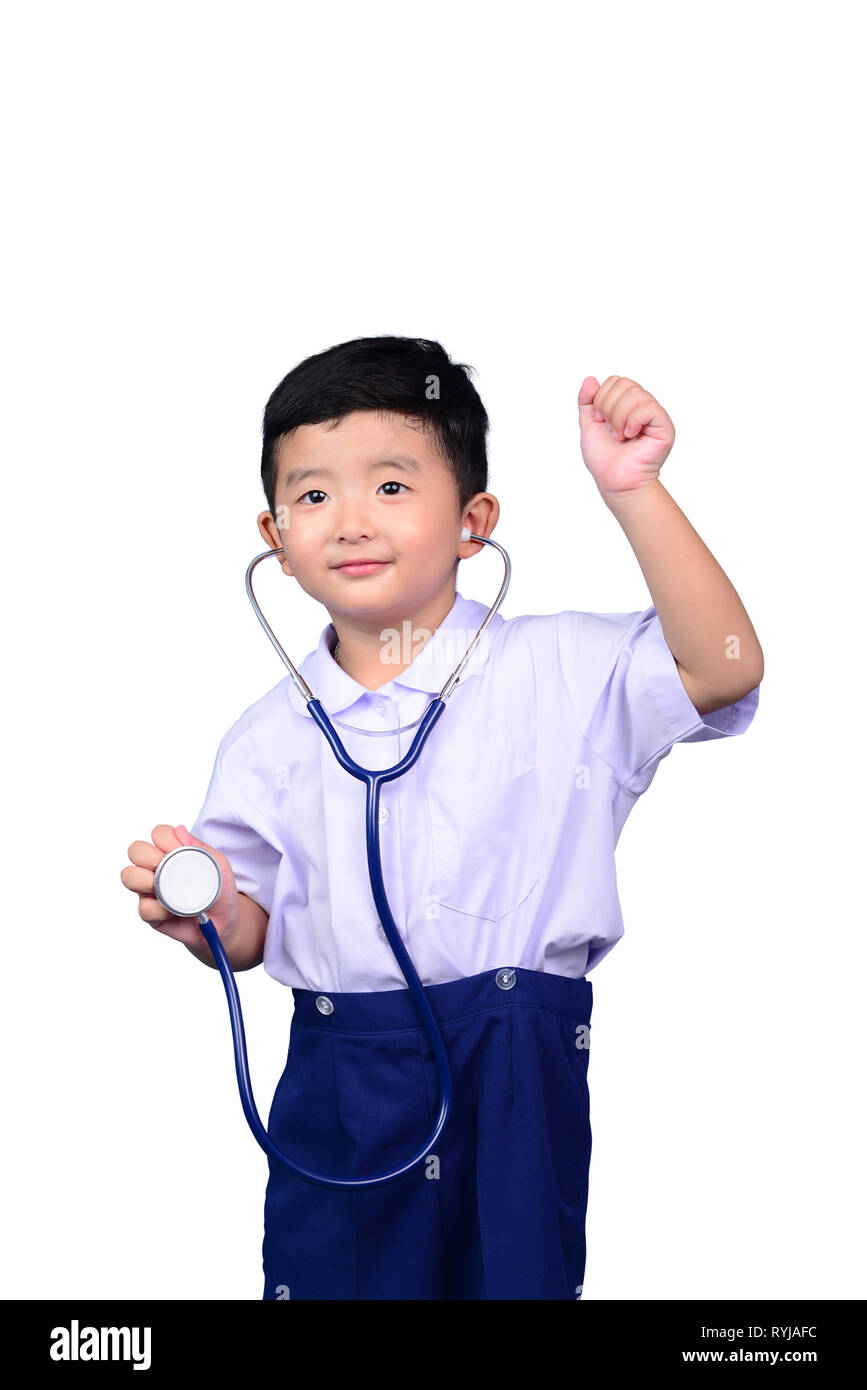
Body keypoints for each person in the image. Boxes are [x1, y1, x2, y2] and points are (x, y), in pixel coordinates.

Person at [121, 335, 763, 1300]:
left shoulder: (561, 671)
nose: (348, 521)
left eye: (389, 486)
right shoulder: (264, 740)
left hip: (514, 1065)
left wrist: (634, 492)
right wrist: (203, 917)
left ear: (473, 521)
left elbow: (721, 664)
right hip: (340, 1072)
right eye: (311, 495)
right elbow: (248, 932)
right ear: (274, 540)